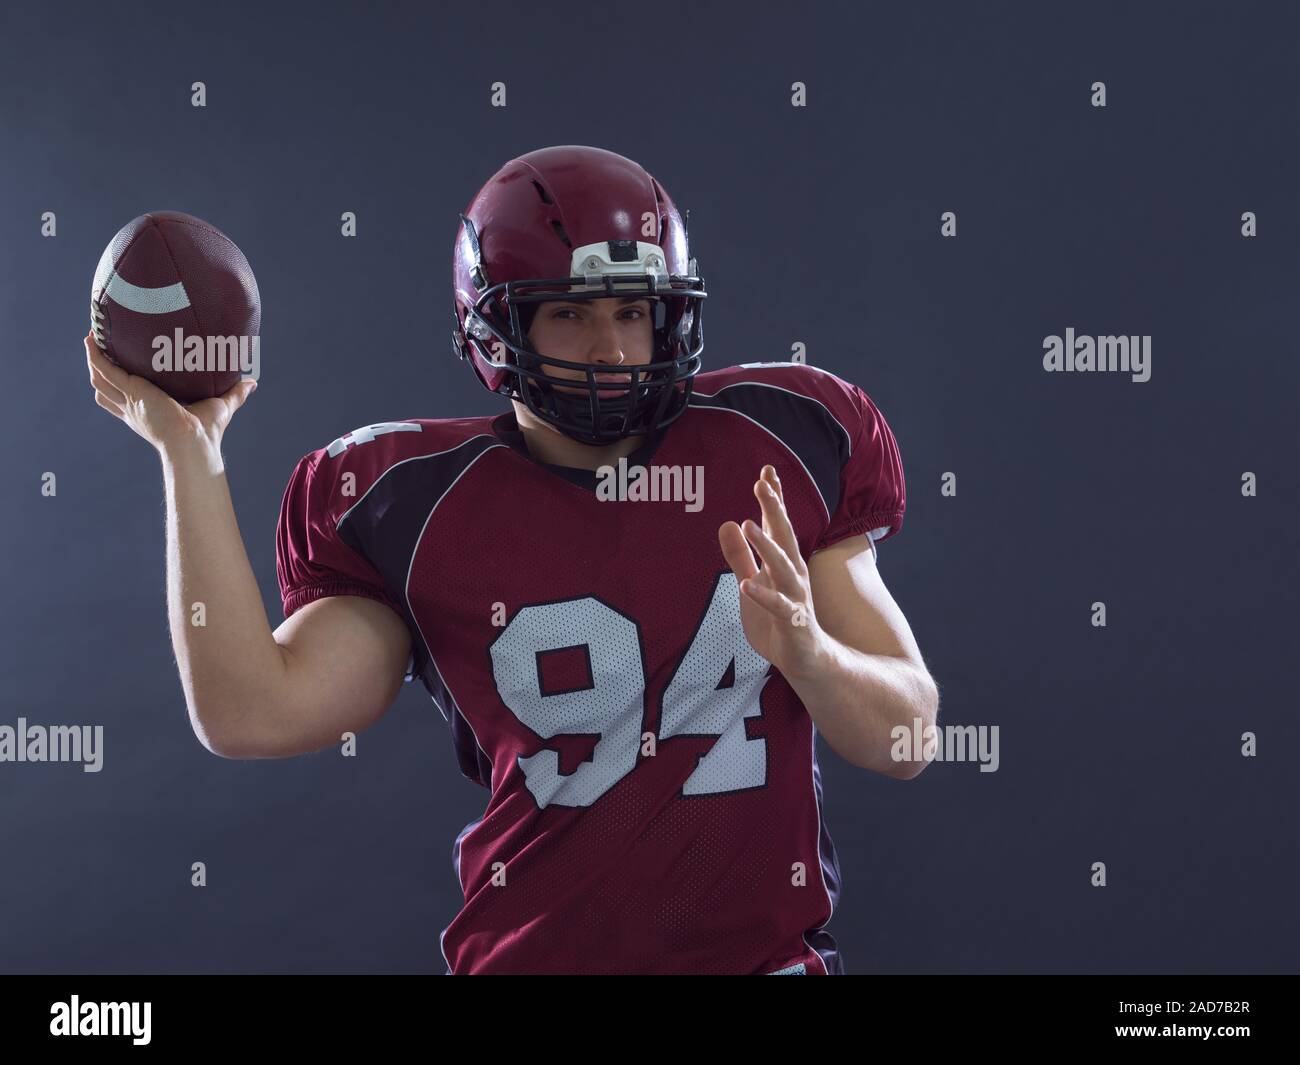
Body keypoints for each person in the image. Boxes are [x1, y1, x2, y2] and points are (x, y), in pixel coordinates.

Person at [84, 144, 938, 975]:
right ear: (496, 322)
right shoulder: (414, 502)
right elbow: (250, 714)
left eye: (632, 310)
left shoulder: (778, 445)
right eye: (570, 311)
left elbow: (910, 734)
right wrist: (191, 458)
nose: (611, 347)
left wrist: (810, 654)